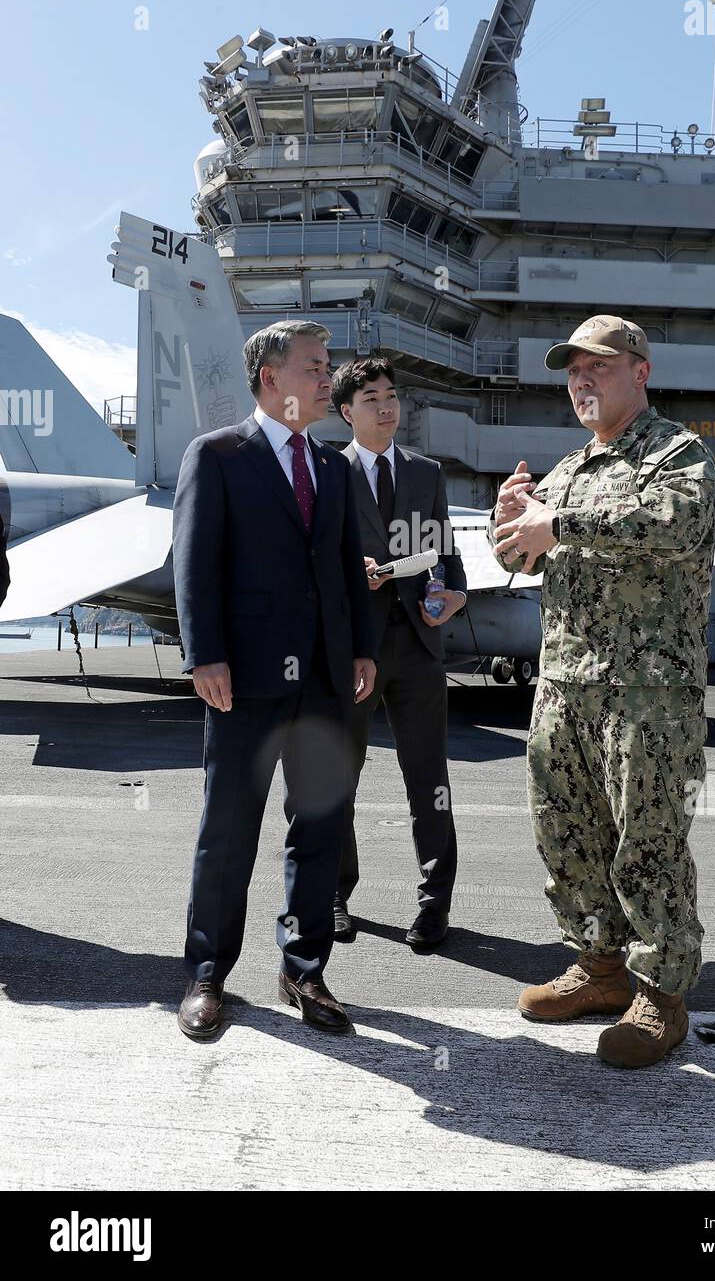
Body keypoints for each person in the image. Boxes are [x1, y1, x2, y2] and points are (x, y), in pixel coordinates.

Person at [490, 315, 715, 1069]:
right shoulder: (564, 470)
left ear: (639, 372)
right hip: (564, 686)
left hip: (648, 690)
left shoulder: (676, 454)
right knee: (568, 836)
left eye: (599, 367)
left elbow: (673, 523)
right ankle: (600, 967)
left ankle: (662, 995)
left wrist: (558, 521)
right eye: (573, 371)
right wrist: (509, 526)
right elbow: (523, 558)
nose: (582, 381)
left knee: (648, 842)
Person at [172, 319, 377, 1041]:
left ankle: (304, 967)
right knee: (228, 828)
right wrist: (205, 655)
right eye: (315, 368)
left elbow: (348, 570)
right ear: (271, 379)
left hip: (323, 677)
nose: (329, 380)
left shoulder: (333, 468)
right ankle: (206, 975)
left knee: (318, 827)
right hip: (245, 679)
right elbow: (194, 566)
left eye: (328, 368)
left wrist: (361, 649)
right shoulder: (218, 456)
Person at [330, 357, 466, 948]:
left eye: (391, 396)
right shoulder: (325, 473)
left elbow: (445, 552)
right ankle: (332, 895)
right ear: (345, 412)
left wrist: (454, 593)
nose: (386, 407)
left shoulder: (426, 473)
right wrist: (346, 572)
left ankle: (434, 904)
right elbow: (304, 561)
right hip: (350, 647)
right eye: (370, 399)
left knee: (428, 778)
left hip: (416, 645)